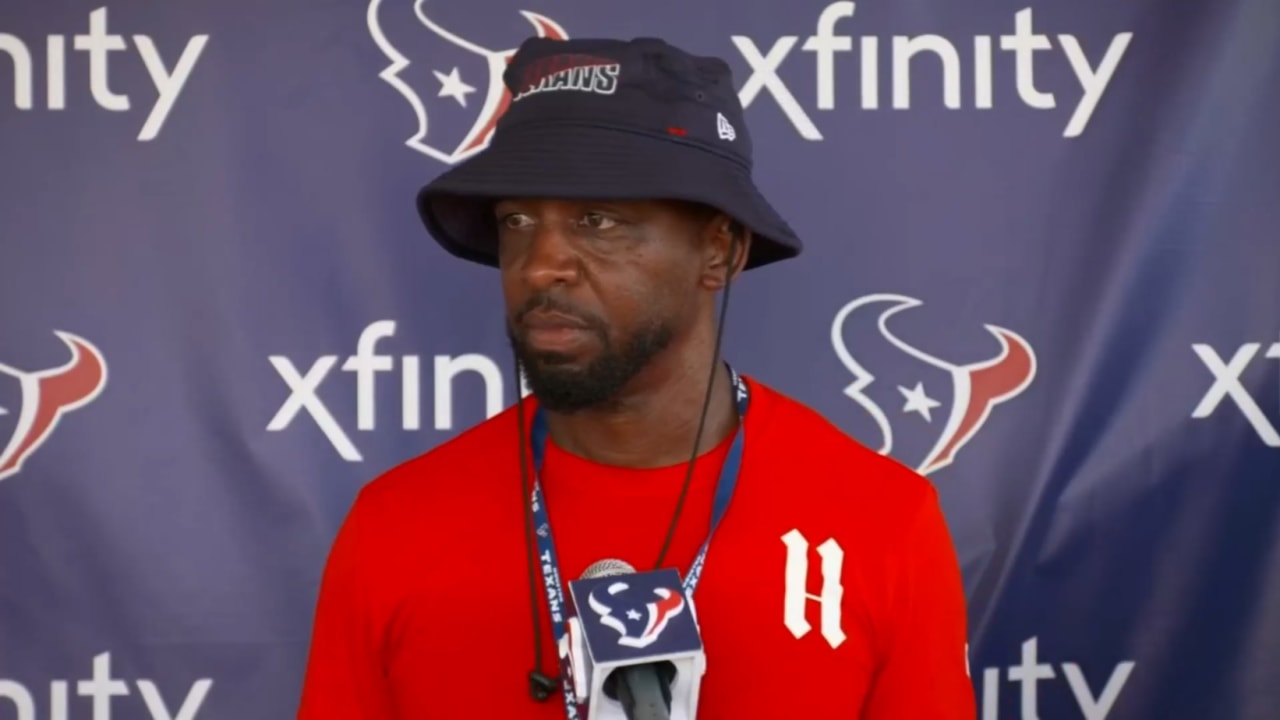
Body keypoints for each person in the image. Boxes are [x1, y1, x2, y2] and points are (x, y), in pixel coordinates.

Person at [297, 35, 976, 719]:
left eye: (598, 220)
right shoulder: (395, 528)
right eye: (519, 221)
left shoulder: (881, 522)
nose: (539, 266)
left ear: (719, 251)